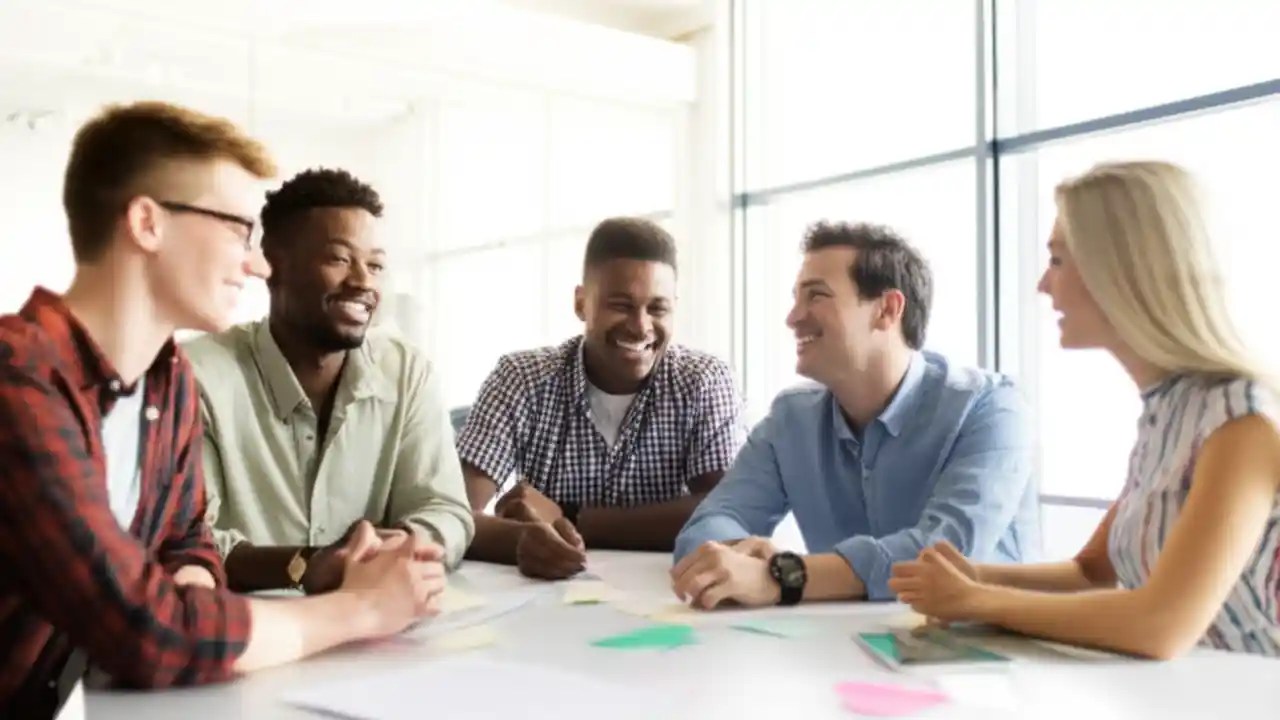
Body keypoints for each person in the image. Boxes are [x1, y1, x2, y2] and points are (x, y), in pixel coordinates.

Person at [0, 102, 444, 714]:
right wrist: (358, 608)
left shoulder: (166, 378)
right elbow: (142, 631)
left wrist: (194, 613)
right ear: (148, 224)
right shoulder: (17, 382)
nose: (258, 263)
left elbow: (186, 544)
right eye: (238, 229)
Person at [889, 160, 1280, 659]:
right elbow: (1089, 573)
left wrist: (978, 600)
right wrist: (974, 576)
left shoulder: (1241, 423)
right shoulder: (1167, 415)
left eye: (1057, 261)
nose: (1042, 285)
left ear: (1122, 270)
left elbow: (1161, 625)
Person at [671, 221, 1039, 609]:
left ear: (887, 309)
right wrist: (737, 560)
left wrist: (782, 577)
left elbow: (944, 556)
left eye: (816, 296)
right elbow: (708, 527)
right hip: (842, 652)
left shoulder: (992, 409)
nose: (793, 317)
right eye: (796, 298)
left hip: (982, 654)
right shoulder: (790, 420)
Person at [184, 168, 474, 593]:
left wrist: (401, 545)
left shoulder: (407, 372)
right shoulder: (198, 376)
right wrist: (305, 565)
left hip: (377, 630)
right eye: (339, 259)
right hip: (249, 636)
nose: (363, 282)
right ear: (273, 265)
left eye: (374, 265)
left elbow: (444, 507)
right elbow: (188, 539)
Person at [456, 217, 746, 579]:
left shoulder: (704, 380)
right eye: (621, 305)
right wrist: (521, 540)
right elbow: (452, 513)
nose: (641, 326)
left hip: (665, 600)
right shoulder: (521, 379)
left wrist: (571, 517)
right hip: (546, 603)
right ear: (581, 303)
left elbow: (728, 511)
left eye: (657, 308)